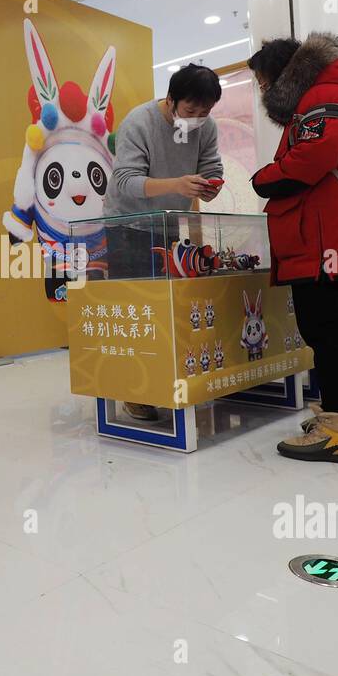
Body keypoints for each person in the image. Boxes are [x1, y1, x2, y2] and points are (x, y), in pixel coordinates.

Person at [249, 33, 338, 464]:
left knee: (328, 332)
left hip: (322, 235)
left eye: (264, 82)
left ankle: (335, 429)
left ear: (286, 73)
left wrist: (263, 177)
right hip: (335, 233)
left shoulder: (321, 98)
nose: (264, 91)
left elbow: (310, 160)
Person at [106, 63, 224, 420]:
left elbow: (213, 167)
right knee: (137, 311)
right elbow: (125, 180)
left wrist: (212, 186)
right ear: (171, 100)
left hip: (169, 226)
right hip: (126, 225)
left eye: (205, 113)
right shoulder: (138, 122)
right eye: (190, 111)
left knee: (169, 310)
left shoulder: (206, 127)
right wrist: (176, 184)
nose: (197, 120)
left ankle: (170, 380)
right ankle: (134, 390)